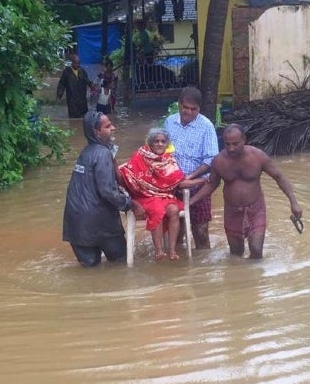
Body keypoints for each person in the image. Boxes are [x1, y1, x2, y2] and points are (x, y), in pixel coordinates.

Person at [190, 124, 303, 259]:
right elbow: (212, 184)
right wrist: (191, 201)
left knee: (256, 250)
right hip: (232, 211)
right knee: (236, 253)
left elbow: (279, 176)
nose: (231, 148)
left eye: (235, 144)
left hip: (255, 209)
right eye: (227, 144)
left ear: (244, 140)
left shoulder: (258, 156)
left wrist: (293, 202)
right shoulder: (218, 161)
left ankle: (256, 279)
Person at [63, 111, 145, 267]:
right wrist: (132, 204)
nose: (113, 128)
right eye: (108, 126)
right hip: (99, 222)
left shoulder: (86, 153)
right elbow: (107, 191)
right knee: (121, 264)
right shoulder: (102, 154)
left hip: (75, 223)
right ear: (96, 132)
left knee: (90, 270)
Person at [118, 128, 202, 261]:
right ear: (151, 143)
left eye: (163, 142)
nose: (160, 144)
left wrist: (203, 180)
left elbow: (179, 183)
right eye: (156, 141)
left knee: (174, 209)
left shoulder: (169, 160)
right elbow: (127, 175)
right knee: (157, 210)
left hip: (165, 196)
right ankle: (159, 251)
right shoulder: (139, 156)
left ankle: (172, 250)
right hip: (144, 197)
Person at [164, 86, 219, 250]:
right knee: (175, 228)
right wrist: (174, 177)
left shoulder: (206, 126)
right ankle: (179, 265)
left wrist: (190, 177)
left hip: (198, 184)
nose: (188, 112)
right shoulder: (169, 122)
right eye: (185, 107)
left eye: (193, 109)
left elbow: (211, 159)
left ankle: (203, 266)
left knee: (200, 229)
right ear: (179, 105)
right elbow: (164, 151)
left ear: (199, 109)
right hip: (173, 183)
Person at [56, 53, 93, 118]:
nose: (78, 65)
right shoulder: (67, 72)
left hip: (82, 97)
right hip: (72, 98)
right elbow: (62, 84)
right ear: (72, 63)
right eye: (76, 63)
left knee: (84, 115)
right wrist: (59, 95)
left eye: (79, 63)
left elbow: (86, 80)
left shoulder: (82, 71)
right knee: (73, 116)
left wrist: (92, 85)